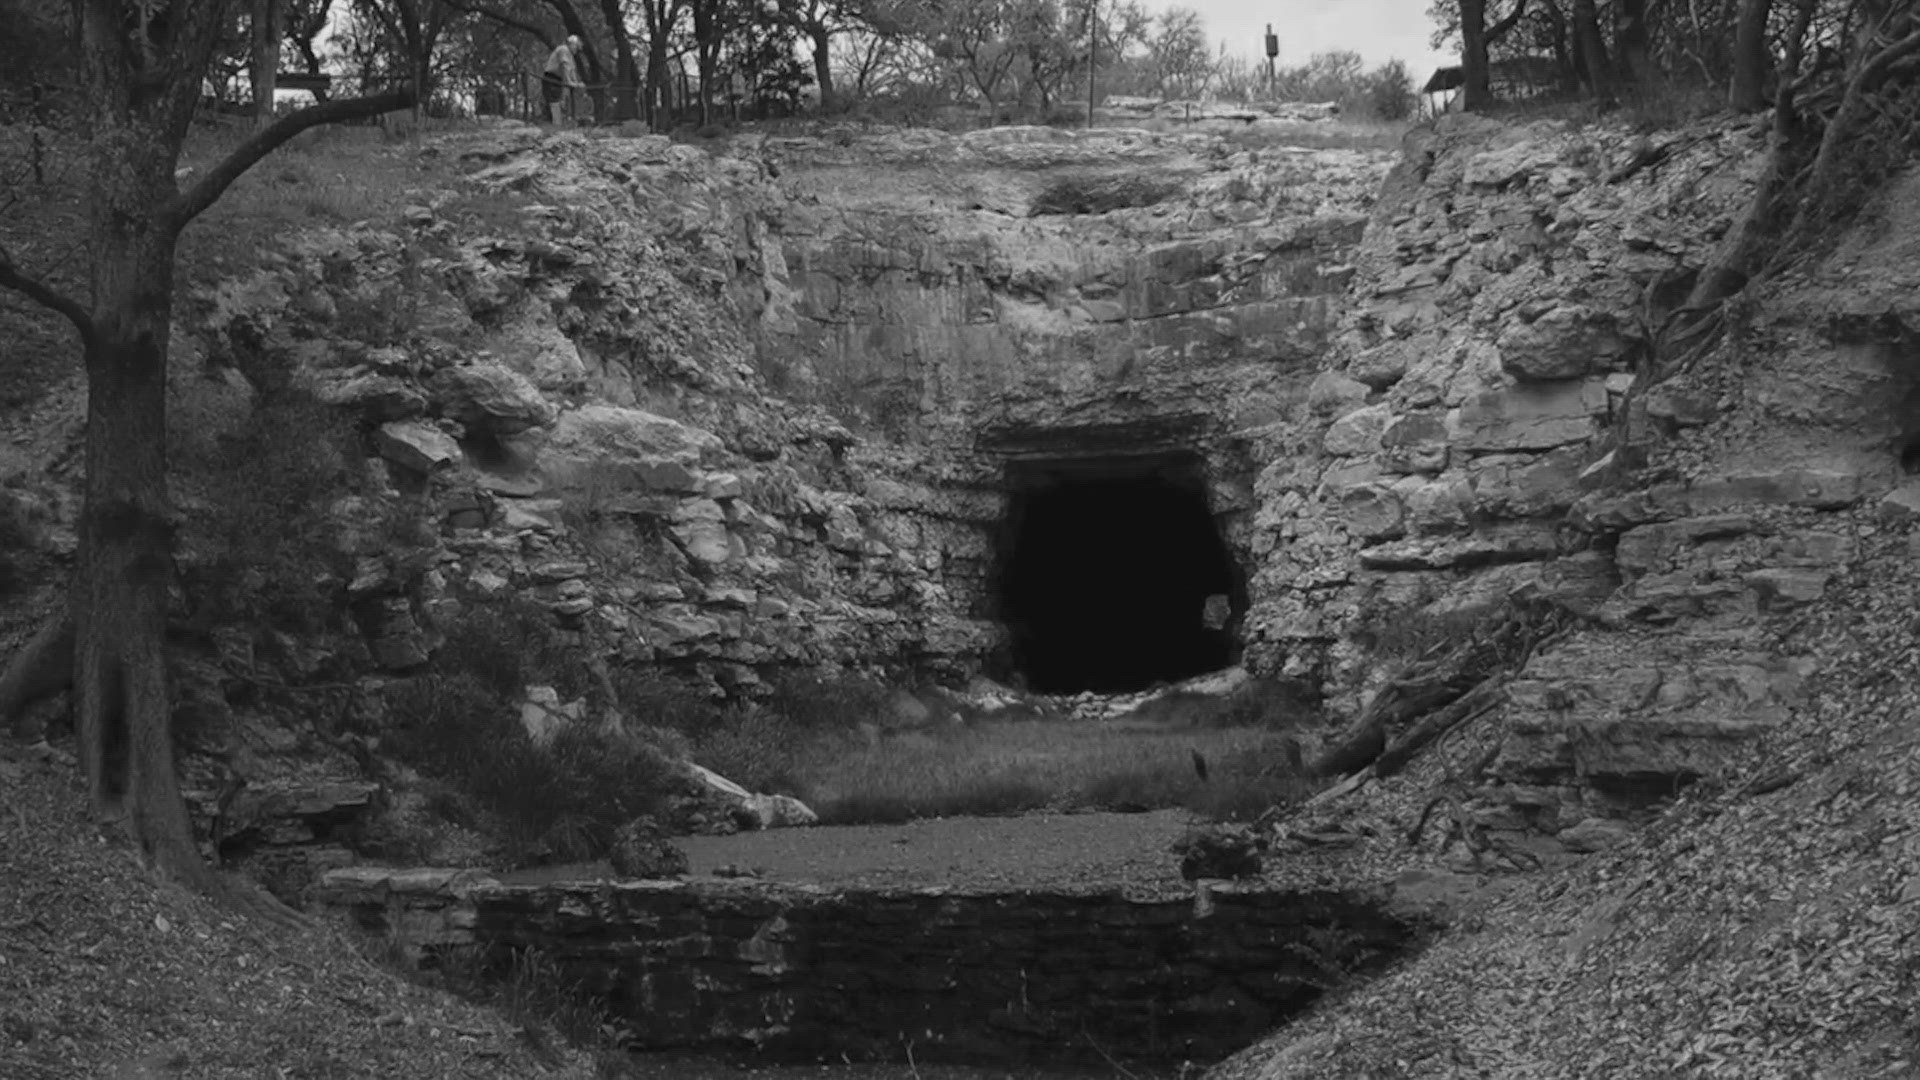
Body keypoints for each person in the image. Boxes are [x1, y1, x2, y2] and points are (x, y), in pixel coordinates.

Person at [541, 35, 585, 124]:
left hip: (558, 80)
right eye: (576, 47)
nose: (576, 50)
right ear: (571, 44)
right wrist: (569, 82)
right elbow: (564, 66)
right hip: (551, 78)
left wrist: (576, 83)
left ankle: (557, 124)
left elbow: (571, 70)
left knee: (559, 102)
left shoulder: (571, 56)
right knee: (554, 102)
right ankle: (556, 125)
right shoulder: (563, 49)